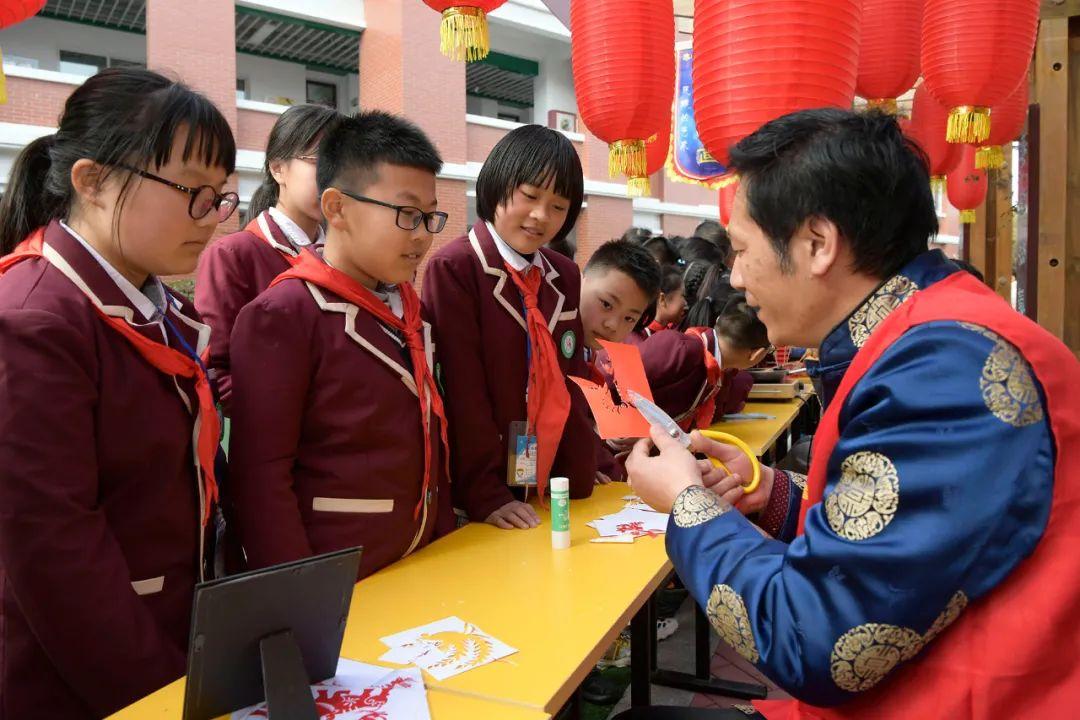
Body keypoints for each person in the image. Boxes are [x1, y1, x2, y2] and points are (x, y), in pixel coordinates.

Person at [622, 108, 1079, 718]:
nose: (736, 278)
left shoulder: (944, 368)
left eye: (742, 250)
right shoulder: (930, 337)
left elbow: (817, 641)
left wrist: (688, 504)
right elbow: (902, 544)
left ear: (817, 244)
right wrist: (770, 493)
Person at [0, 68, 237, 718]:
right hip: (90, 677)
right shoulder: (34, 317)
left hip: (169, 635)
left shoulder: (154, 304)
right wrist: (163, 695)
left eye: (220, 196)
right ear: (93, 180)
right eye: (192, 191)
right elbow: (53, 549)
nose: (212, 218)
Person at [228, 111, 453, 580]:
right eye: (407, 214)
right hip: (339, 573)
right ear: (336, 208)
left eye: (429, 217)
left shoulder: (412, 310)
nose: (421, 235)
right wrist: (301, 595)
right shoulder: (284, 315)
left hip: (421, 561)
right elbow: (262, 479)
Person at [422, 124, 596, 530]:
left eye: (558, 206)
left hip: (552, 477)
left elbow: (573, 376)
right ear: (498, 184)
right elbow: (462, 390)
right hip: (486, 490)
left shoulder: (563, 274)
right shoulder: (456, 267)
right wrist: (484, 492)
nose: (541, 217)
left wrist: (591, 461)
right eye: (530, 196)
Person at [195, 104, 342, 412]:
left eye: (343, 165)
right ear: (278, 169)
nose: (334, 178)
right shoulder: (234, 255)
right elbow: (218, 369)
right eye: (321, 161)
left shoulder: (344, 258)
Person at [578, 238, 662, 483]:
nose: (612, 325)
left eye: (629, 319)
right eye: (606, 304)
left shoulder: (591, 349)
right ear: (582, 279)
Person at [642, 264, 687, 336]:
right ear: (662, 299)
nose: (685, 303)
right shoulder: (640, 336)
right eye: (683, 296)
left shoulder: (673, 330)